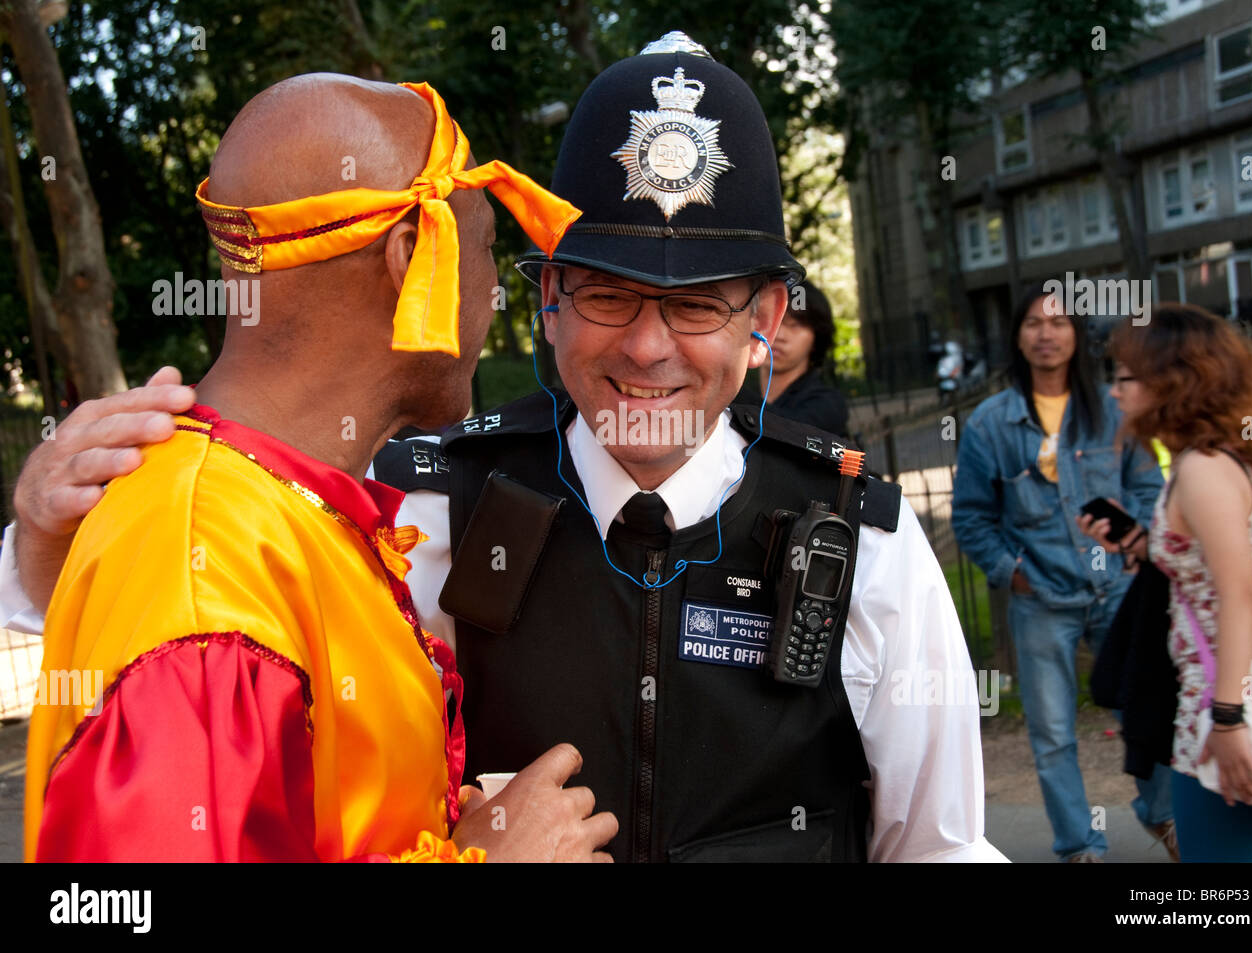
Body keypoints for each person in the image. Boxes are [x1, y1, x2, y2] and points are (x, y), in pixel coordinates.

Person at [4, 35, 1003, 862]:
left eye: (698, 303)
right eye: (608, 294)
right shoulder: (421, 501)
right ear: (548, 300)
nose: (649, 348)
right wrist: (39, 552)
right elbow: (204, 608)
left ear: (767, 315)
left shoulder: (859, 534)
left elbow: (938, 847)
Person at [9, 73, 617, 862]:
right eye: (487, 248)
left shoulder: (281, 512)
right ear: (409, 260)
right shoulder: (210, 581)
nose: (496, 289)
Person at [952, 285, 1174, 863]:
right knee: (1051, 734)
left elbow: (1148, 487)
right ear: (1018, 337)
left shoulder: (1112, 407)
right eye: (1032, 323)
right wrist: (1012, 573)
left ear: (1077, 335)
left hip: (1119, 591)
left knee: (1142, 711)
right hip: (1041, 597)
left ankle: (1164, 816)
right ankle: (1081, 847)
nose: (1045, 334)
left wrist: (1136, 543)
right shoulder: (990, 422)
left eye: (1057, 322)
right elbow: (972, 518)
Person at [1078, 302, 1252, 863]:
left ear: (1172, 383)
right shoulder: (1211, 462)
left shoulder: (1202, 469)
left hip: (1228, 693)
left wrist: (1228, 719)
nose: (1114, 392)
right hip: (1224, 689)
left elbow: (1239, 592)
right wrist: (1138, 545)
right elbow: (1208, 567)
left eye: (1126, 378)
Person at [739, 280, 849, 436]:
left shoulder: (827, 404)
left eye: (795, 325)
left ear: (817, 339)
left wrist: (727, 388)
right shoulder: (748, 387)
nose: (778, 335)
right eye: (771, 321)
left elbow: (788, 433)